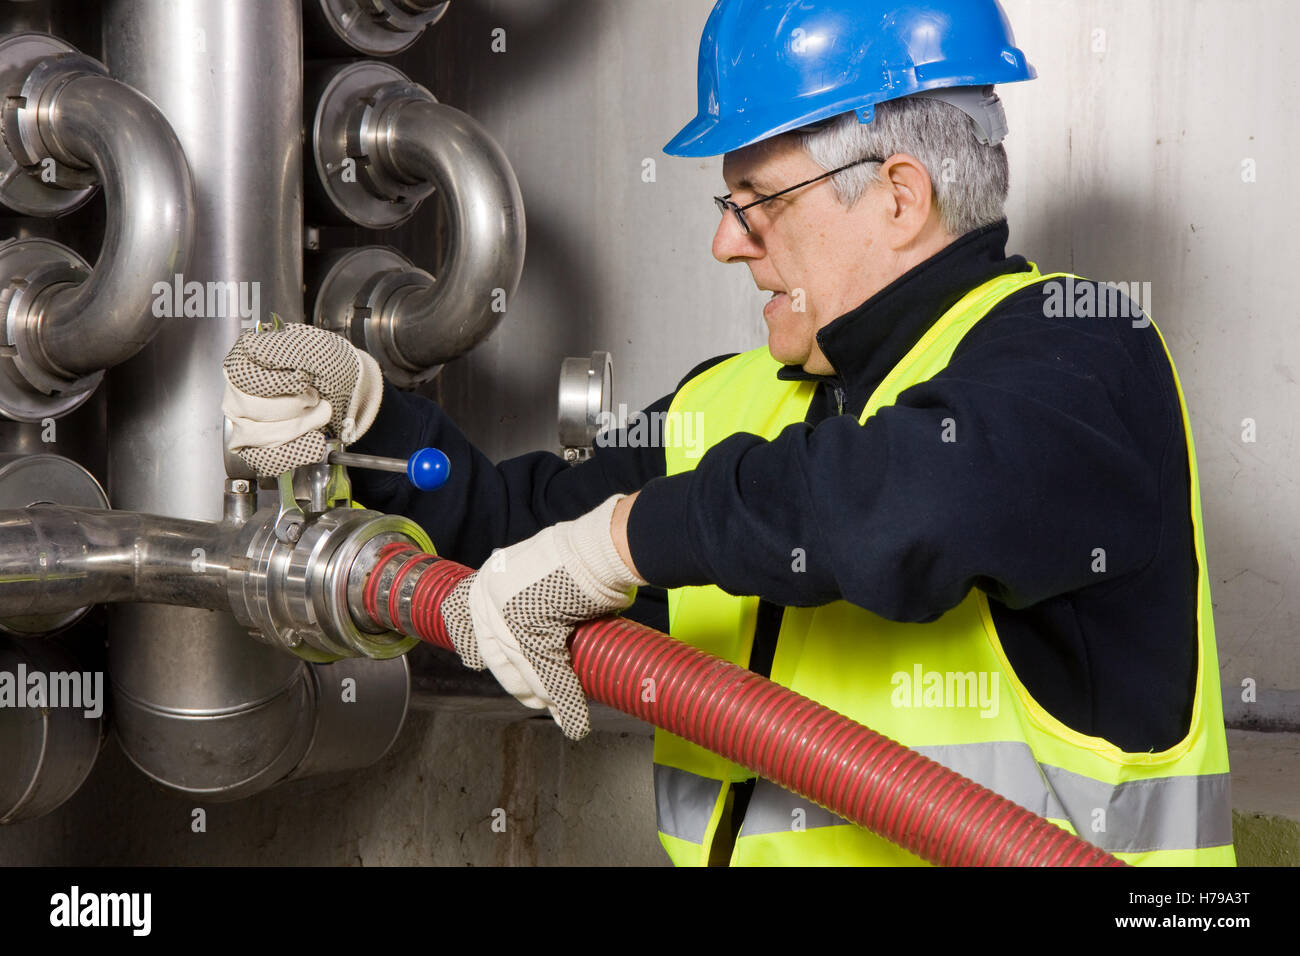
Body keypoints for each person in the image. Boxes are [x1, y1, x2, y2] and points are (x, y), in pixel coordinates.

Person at [223, 0, 1235, 866]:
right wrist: (367, 422)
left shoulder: (1084, 353)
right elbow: (507, 523)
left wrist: (617, 540)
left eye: (756, 202)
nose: (723, 242)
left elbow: (911, 502)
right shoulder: (739, 403)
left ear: (896, 197)